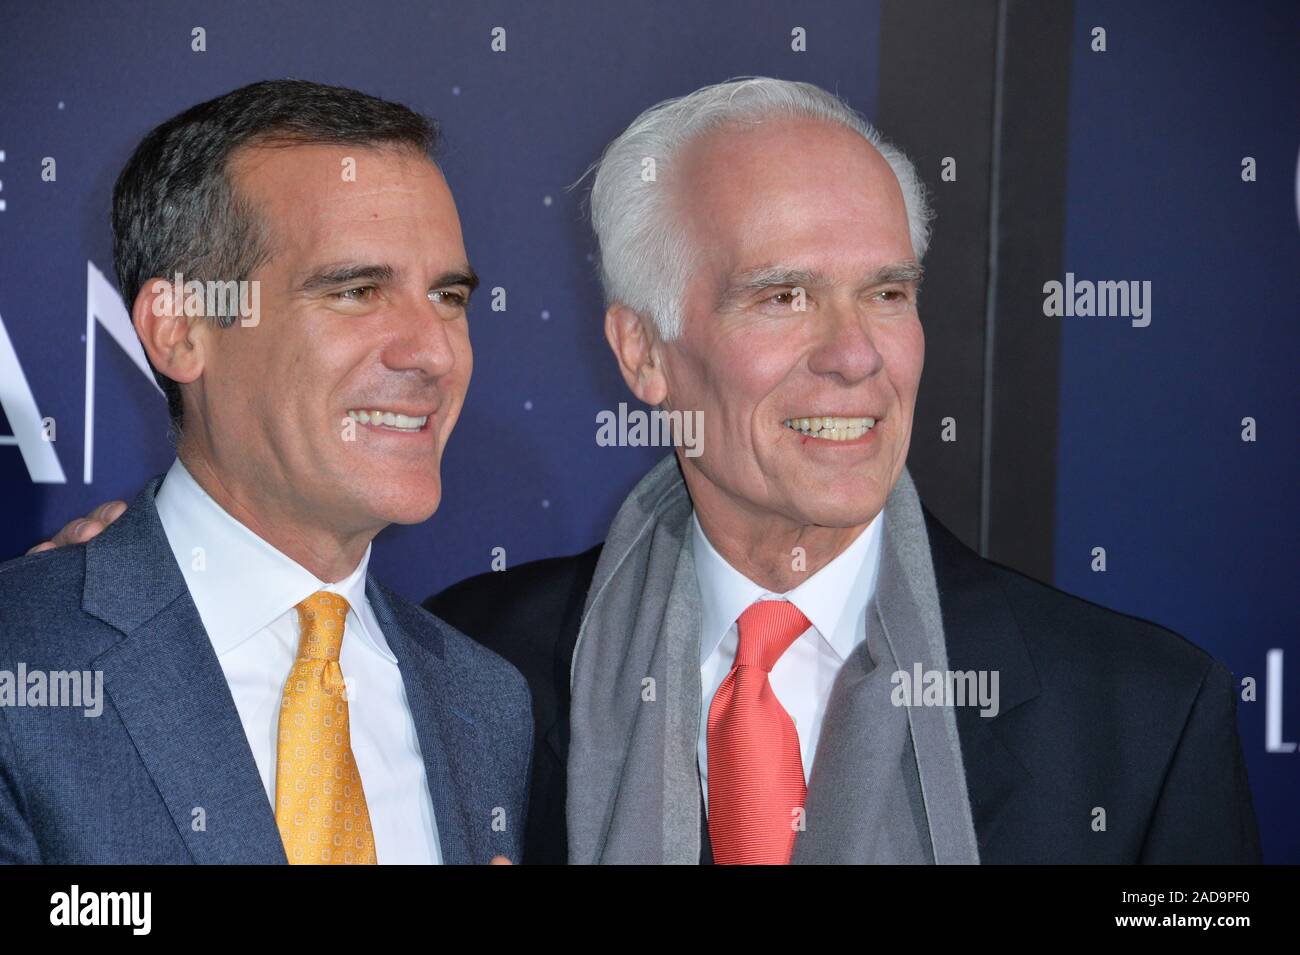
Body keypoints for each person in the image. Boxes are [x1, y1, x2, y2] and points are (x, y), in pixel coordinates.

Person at [37, 78, 1262, 865]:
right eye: (782, 295)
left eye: (887, 293)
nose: (855, 357)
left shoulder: (1143, 714)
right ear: (643, 352)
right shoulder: (495, 671)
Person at [0, 80, 531, 864]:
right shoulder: (24, 658)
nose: (434, 351)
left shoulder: (487, 703)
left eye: (447, 297)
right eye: (356, 290)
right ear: (178, 329)